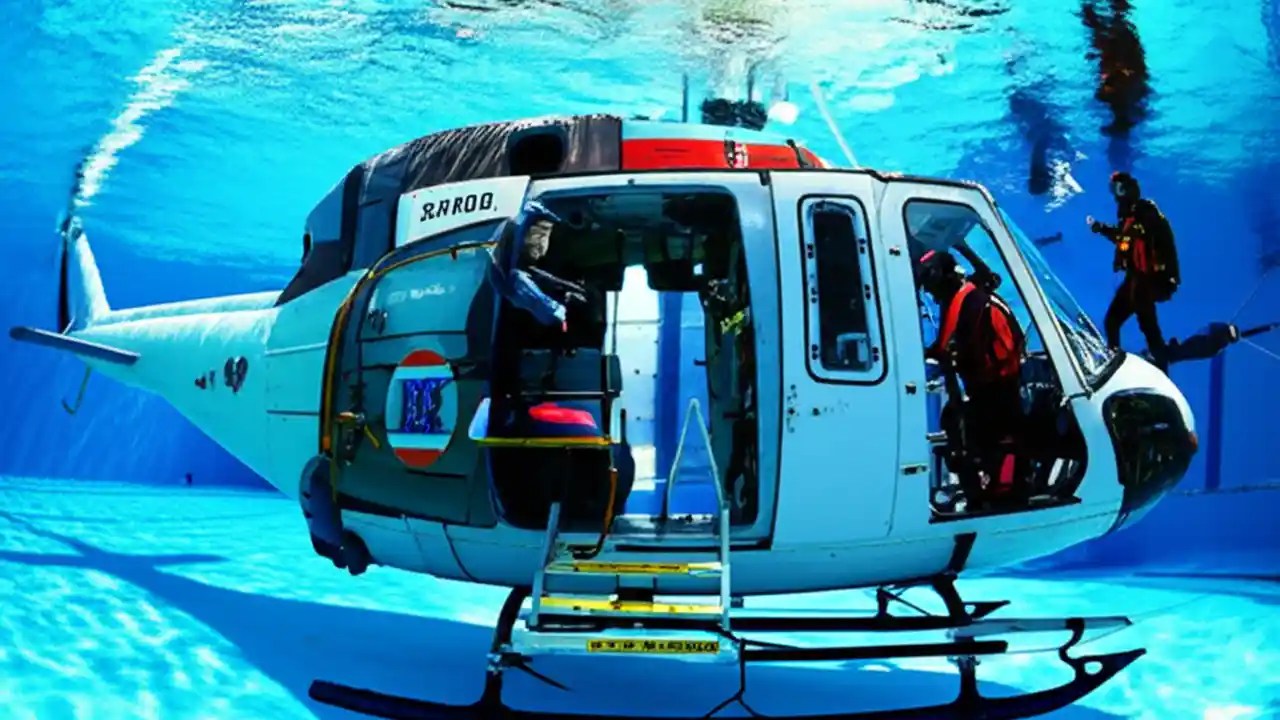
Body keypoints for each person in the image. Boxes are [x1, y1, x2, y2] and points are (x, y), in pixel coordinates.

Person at [917, 250, 1027, 506]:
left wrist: (936, 356)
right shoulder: (968, 297)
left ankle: (999, 492)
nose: (933, 296)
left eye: (933, 289)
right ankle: (990, 485)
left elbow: (950, 347)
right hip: (991, 385)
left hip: (996, 387)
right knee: (959, 422)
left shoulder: (971, 303)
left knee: (981, 432)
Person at [1086, 170, 1179, 371]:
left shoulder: (1146, 214)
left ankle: (1160, 369)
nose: (1116, 195)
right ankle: (1114, 365)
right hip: (1136, 278)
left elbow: (1129, 238)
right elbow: (1124, 239)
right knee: (1113, 321)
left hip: (1148, 280)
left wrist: (1110, 231)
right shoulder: (1130, 216)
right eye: (1114, 189)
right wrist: (1101, 228)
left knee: (1149, 329)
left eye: (1119, 189)